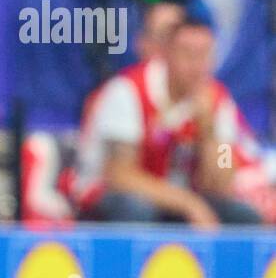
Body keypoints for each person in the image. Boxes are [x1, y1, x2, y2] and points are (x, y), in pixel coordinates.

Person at [73, 17, 261, 227]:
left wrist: (209, 130)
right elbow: (119, 176)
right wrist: (188, 203)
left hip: (174, 199)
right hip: (110, 195)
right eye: (188, 55)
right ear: (166, 54)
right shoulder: (128, 91)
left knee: (240, 216)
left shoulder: (218, 101)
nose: (197, 65)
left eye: (204, 55)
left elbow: (224, 181)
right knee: (135, 209)